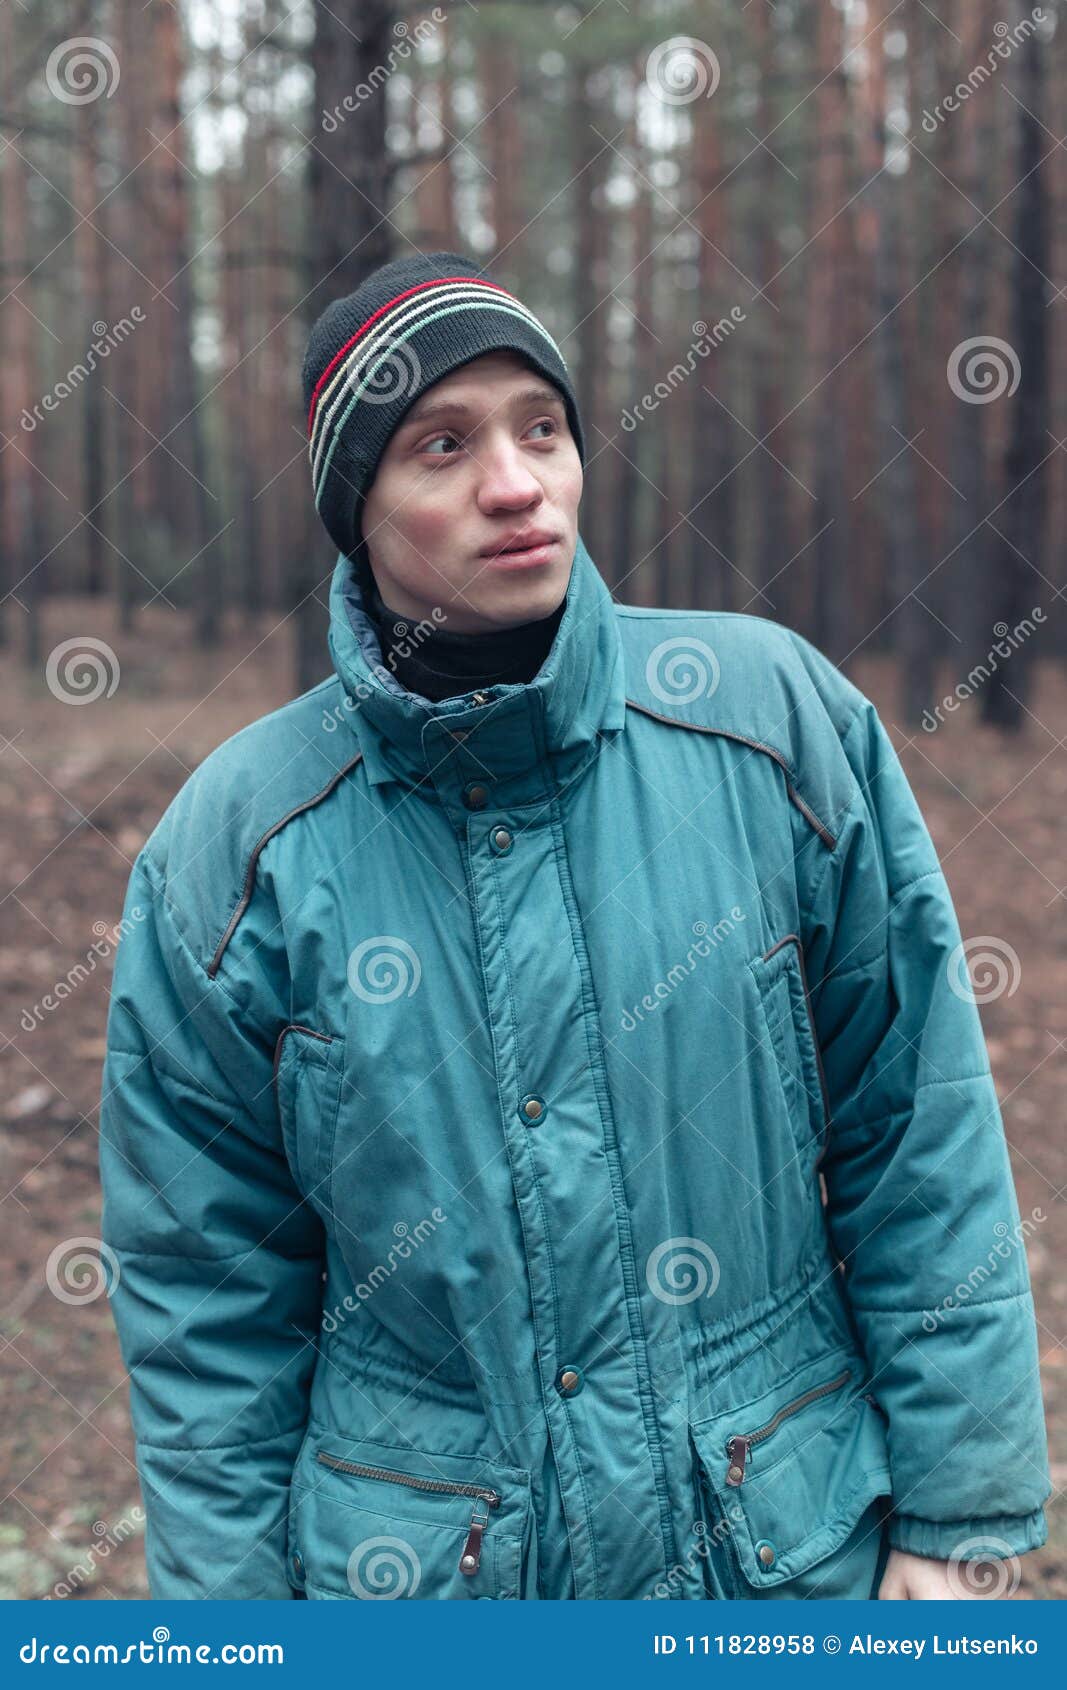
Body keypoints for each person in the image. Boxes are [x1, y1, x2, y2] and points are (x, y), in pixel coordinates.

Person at [99, 250, 1050, 1601]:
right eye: (442, 444)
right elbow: (206, 1304)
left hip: (780, 1553)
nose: (515, 481)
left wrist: (956, 1517)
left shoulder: (767, 723)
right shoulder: (238, 849)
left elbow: (920, 1130)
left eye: (539, 427)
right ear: (355, 506)